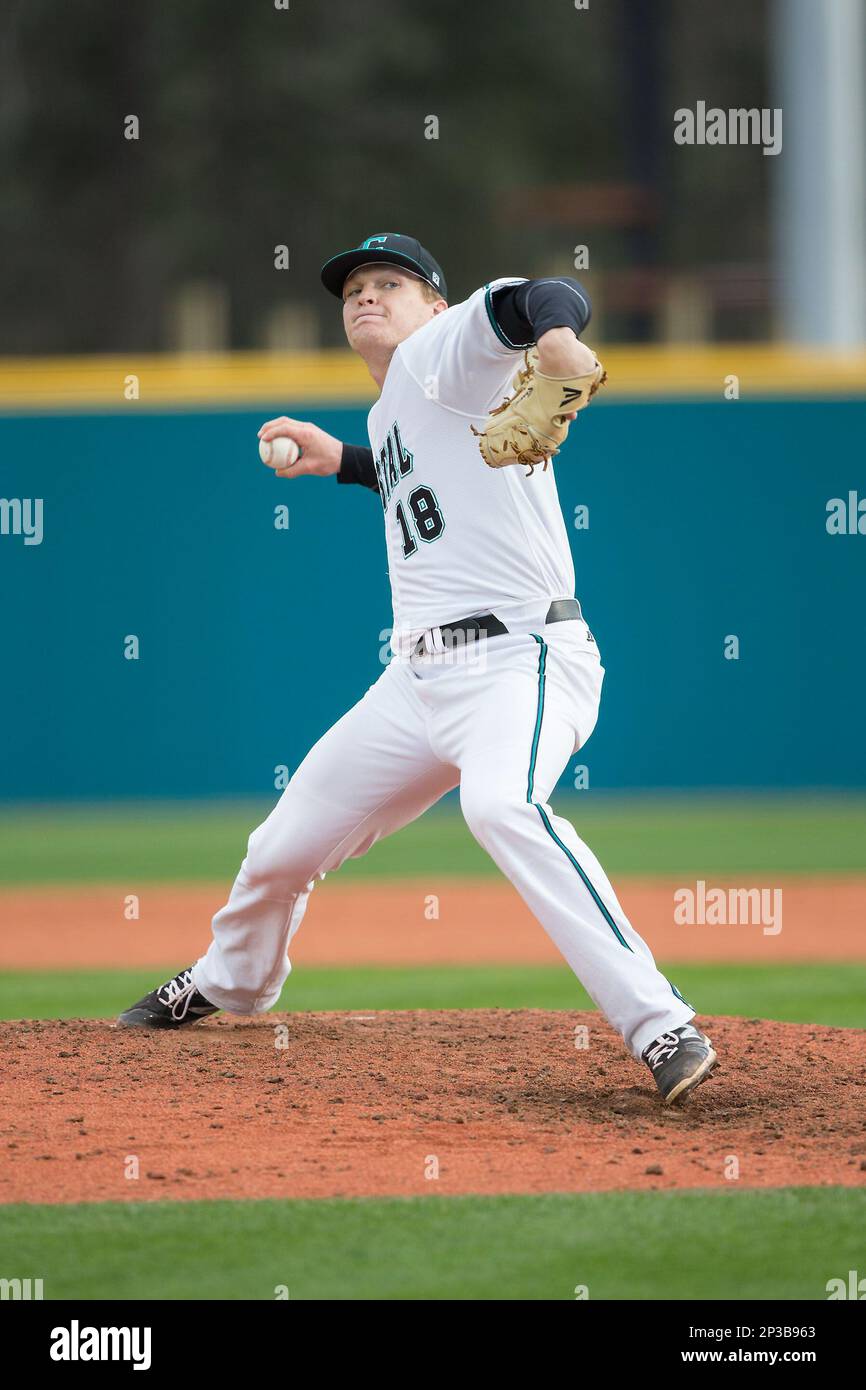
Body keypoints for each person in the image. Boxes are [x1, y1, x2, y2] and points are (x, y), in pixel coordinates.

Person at [118, 232, 718, 1107]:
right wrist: (347, 464)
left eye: (390, 283)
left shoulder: (445, 352)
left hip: (521, 658)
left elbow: (540, 294)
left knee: (503, 805)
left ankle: (661, 1024)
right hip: (417, 683)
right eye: (354, 285)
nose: (366, 294)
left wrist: (555, 345)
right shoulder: (395, 404)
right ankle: (232, 980)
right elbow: (429, 485)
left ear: (435, 308)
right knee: (279, 847)